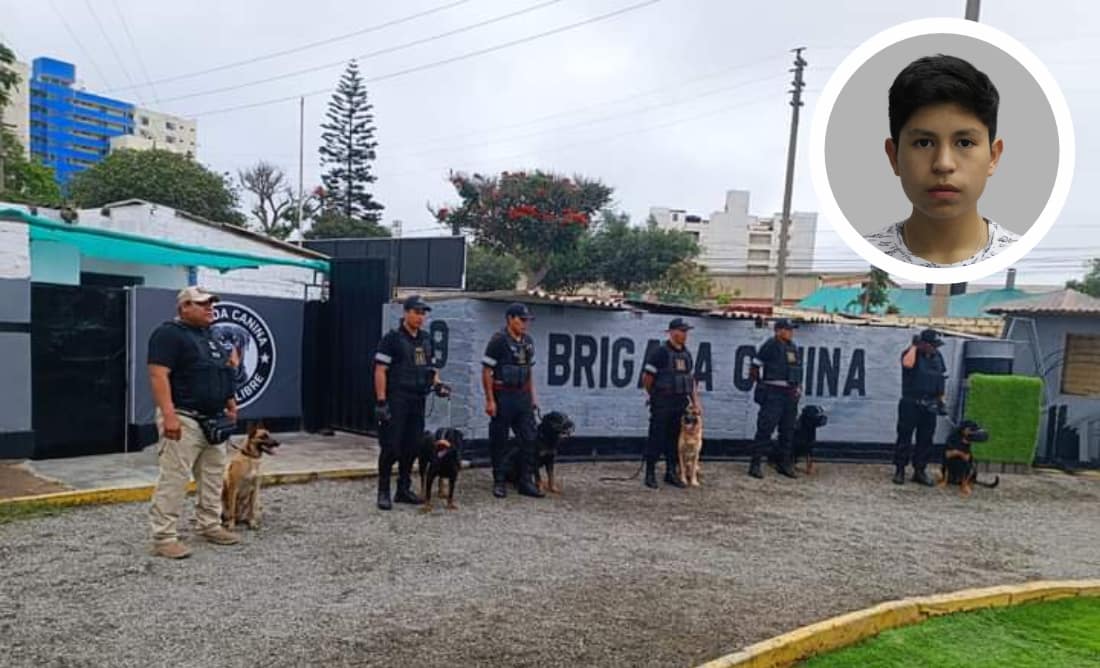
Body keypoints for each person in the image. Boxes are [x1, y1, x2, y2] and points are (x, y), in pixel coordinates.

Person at [864, 54, 1017, 267]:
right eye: (924, 143)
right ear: (893, 156)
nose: (944, 164)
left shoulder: (1017, 255)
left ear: (993, 156)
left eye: (964, 143)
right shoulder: (864, 255)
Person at [146, 287, 241, 559]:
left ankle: (210, 524)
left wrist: (230, 401)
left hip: (213, 418)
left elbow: (220, 371)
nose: (209, 307)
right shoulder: (168, 334)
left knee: (212, 476)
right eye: (202, 304)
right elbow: (158, 376)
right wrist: (169, 415)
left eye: (211, 303)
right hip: (184, 417)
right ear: (184, 307)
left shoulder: (208, 336)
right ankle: (164, 537)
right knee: (174, 478)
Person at [373, 295, 449, 510]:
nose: (420, 317)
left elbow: (431, 370)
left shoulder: (426, 339)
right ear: (405, 313)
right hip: (397, 398)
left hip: (418, 399)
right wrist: (381, 401)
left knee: (413, 446)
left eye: (423, 313)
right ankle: (383, 491)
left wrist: (438, 385)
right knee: (391, 447)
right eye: (416, 312)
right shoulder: (392, 339)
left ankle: (403, 489)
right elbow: (380, 370)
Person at [482, 303, 544, 499]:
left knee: (529, 438)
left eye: (527, 320)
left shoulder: (528, 342)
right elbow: (487, 372)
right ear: (511, 319)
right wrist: (490, 400)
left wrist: (533, 397)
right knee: (499, 439)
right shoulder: (498, 341)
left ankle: (525, 480)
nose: (525, 324)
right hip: (503, 394)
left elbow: (529, 371)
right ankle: (499, 480)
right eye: (522, 320)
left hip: (522, 396)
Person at [641, 318, 702, 489]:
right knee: (656, 437)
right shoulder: (660, 352)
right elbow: (647, 378)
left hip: (679, 402)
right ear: (672, 332)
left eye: (686, 331)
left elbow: (690, 381)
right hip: (662, 401)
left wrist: (695, 402)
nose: (684, 334)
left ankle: (671, 472)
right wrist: (654, 396)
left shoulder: (687, 354)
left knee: (674, 439)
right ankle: (650, 473)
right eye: (681, 331)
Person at [748, 319, 802, 479]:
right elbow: (755, 366)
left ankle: (784, 463)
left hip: (789, 393)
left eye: (791, 329)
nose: (791, 332)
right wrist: (760, 384)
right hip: (773, 392)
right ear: (778, 330)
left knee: (787, 430)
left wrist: (798, 387)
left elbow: (796, 369)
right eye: (788, 329)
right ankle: (755, 464)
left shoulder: (793, 347)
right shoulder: (770, 345)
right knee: (765, 429)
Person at [894, 328, 948, 486]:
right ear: (923, 343)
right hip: (911, 402)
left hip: (930, 403)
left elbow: (941, 379)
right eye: (932, 345)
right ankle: (900, 470)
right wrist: (914, 346)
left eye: (936, 345)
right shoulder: (911, 354)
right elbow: (907, 365)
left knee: (925, 439)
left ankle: (919, 471)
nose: (934, 348)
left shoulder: (938, 357)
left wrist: (941, 401)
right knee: (904, 437)